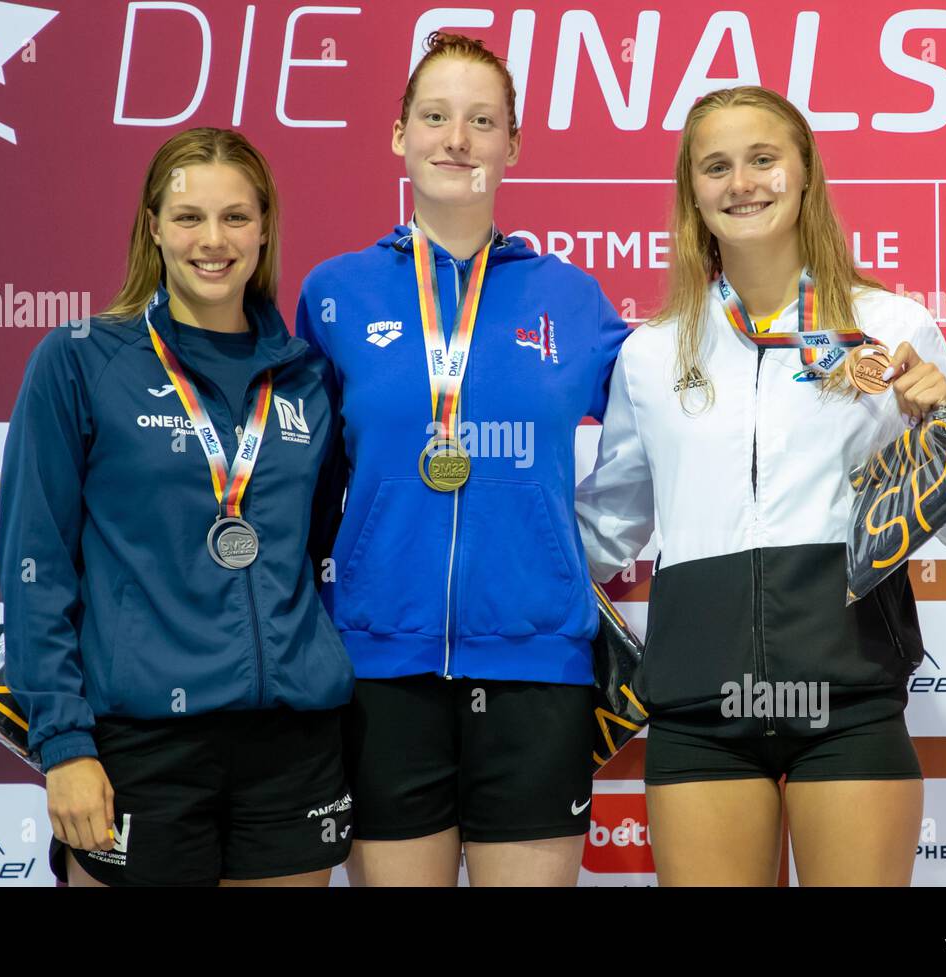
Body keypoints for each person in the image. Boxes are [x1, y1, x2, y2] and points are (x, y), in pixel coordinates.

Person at [575, 86, 946, 886]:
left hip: (847, 701)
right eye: (716, 166)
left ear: (804, 172)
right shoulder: (652, 353)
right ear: (691, 191)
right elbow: (606, 532)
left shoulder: (893, 327)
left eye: (764, 159)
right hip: (701, 710)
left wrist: (944, 424)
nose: (742, 182)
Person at [295, 32, 629, 886]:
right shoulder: (334, 294)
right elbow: (300, 477)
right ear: (397, 135)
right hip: (380, 665)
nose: (458, 140)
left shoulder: (571, 295)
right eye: (436, 117)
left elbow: (683, 409)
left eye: (483, 121)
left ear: (512, 146)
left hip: (536, 665)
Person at [0, 127, 354, 887]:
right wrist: (63, 743)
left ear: (263, 230)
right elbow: (36, 566)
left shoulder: (308, 380)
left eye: (235, 217)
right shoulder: (80, 360)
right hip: (140, 744)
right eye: (190, 217)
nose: (212, 240)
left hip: (291, 745)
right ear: (153, 226)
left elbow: (317, 552)